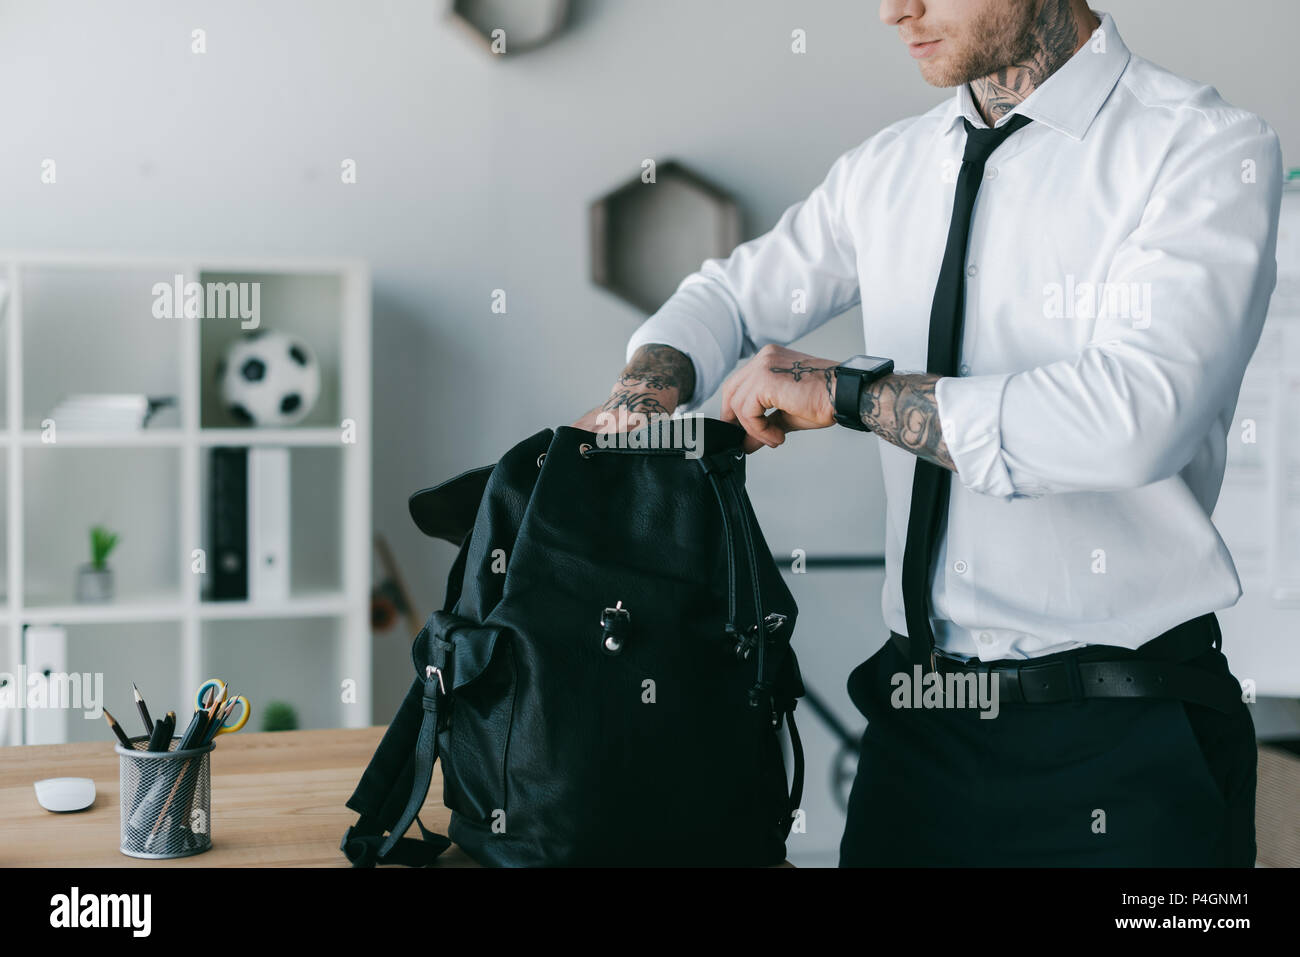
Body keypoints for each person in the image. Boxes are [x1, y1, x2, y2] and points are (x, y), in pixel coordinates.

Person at [574, 0, 1282, 866]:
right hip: (919, 741)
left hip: (1129, 742)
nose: (893, 10)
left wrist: (851, 393)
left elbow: (1134, 418)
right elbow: (726, 296)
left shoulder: (1201, 149)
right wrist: (640, 400)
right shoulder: (889, 168)